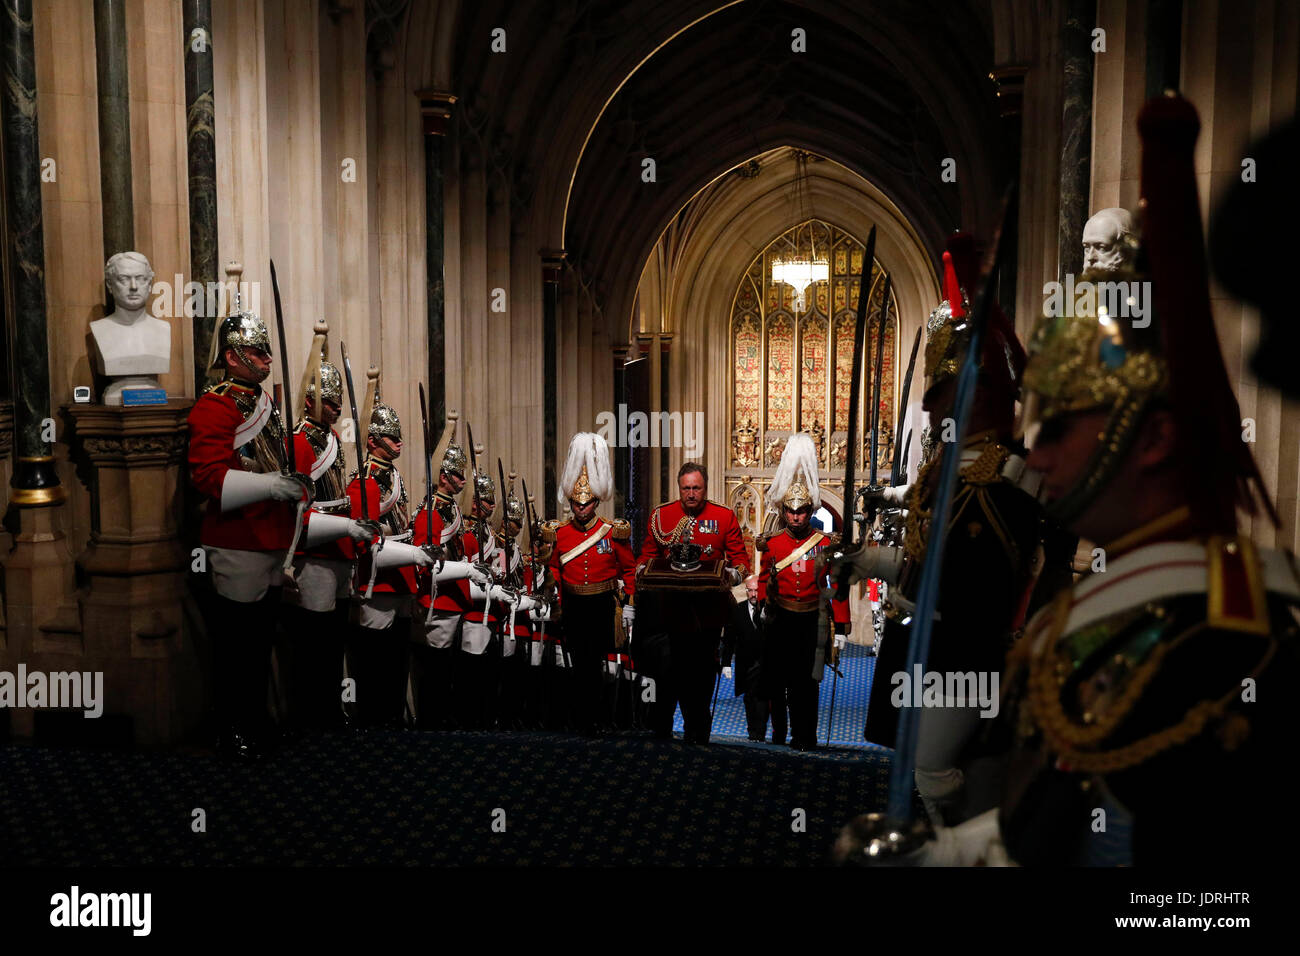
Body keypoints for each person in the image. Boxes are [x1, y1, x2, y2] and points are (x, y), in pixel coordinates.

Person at [837, 93, 1300, 867]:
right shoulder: (1106, 612)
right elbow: (1046, 824)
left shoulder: (1225, 636)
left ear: (1151, 438)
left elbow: (1200, 897)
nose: (1037, 454)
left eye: (1059, 428)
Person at [832, 235, 1044, 822]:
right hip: (935, 642)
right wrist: (874, 562)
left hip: (968, 650)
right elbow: (932, 559)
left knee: (934, 766)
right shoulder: (946, 473)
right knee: (917, 759)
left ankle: (964, 843)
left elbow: (981, 583)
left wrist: (905, 587)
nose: (931, 409)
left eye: (943, 397)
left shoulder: (998, 477)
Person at [188, 293, 309, 760]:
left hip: (272, 540)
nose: (268, 359)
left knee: (259, 643)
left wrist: (289, 487)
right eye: (259, 352)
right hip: (237, 539)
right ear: (233, 356)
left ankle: (255, 721)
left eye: (266, 351)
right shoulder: (215, 407)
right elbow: (208, 478)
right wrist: (271, 489)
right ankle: (231, 726)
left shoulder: (265, 404)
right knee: (235, 646)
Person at [285, 324, 373, 730]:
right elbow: (301, 507)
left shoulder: (332, 439)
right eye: (330, 401)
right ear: (310, 400)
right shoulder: (300, 441)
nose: (337, 408)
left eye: (339, 402)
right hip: (316, 546)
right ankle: (311, 711)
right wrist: (344, 528)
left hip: (338, 547)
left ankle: (330, 707)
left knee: (335, 636)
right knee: (314, 637)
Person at [637, 463, 749, 743]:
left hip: (706, 616)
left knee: (699, 679)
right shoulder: (662, 516)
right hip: (666, 614)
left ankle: (697, 731)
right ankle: (660, 729)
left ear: (705, 488)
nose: (690, 494)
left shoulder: (723, 517)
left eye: (696, 488)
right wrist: (642, 570)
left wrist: (731, 574)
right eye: (685, 488)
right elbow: (646, 555)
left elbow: (741, 562)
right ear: (679, 488)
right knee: (666, 676)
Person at [346, 371, 431, 729]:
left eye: (398, 437)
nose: (398, 442)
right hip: (376, 581)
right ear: (372, 440)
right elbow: (366, 541)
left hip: (400, 581)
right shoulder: (364, 481)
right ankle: (374, 720)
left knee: (397, 657)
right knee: (375, 659)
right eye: (390, 437)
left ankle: (393, 716)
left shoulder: (393, 477)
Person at [755, 433, 849, 750]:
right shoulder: (772, 544)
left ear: (811, 511)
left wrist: (842, 624)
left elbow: (835, 583)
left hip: (811, 621)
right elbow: (765, 579)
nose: (796, 517)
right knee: (776, 680)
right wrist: (760, 609)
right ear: (783, 511)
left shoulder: (824, 543)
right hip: (780, 620)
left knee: (806, 682)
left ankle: (805, 734)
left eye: (802, 511)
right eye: (791, 512)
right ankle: (778, 733)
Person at [546, 433, 637, 736]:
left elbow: (629, 570)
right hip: (573, 605)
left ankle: (594, 719)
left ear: (596, 502)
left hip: (600, 605)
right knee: (575, 664)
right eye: (576, 504)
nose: (581, 509)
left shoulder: (612, 531)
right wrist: (555, 598)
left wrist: (629, 605)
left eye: (586, 504)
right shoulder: (559, 533)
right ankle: (576, 718)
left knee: (596, 665)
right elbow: (554, 568)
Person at [410, 418, 491, 729]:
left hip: (453, 601)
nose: (462, 481)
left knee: (446, 670)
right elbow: (426, 563)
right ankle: (431, 723)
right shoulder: (431, 513)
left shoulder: (451, 511)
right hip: (437, 602)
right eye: (458, 475)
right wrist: (468, 570)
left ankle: (441, 719)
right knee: (435, 670)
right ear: (443, 477)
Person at [721, 575, 785, 743]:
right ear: (746, 591)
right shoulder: (738, 610)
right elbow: (729, 639)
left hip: (766, 662)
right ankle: (753, 731)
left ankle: (760, 732)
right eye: (751, 590)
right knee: (749, 698)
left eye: (757, 590)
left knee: (763, 697)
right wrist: (726, 663)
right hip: (745, 663)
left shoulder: (771, 610)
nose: (754, 594)